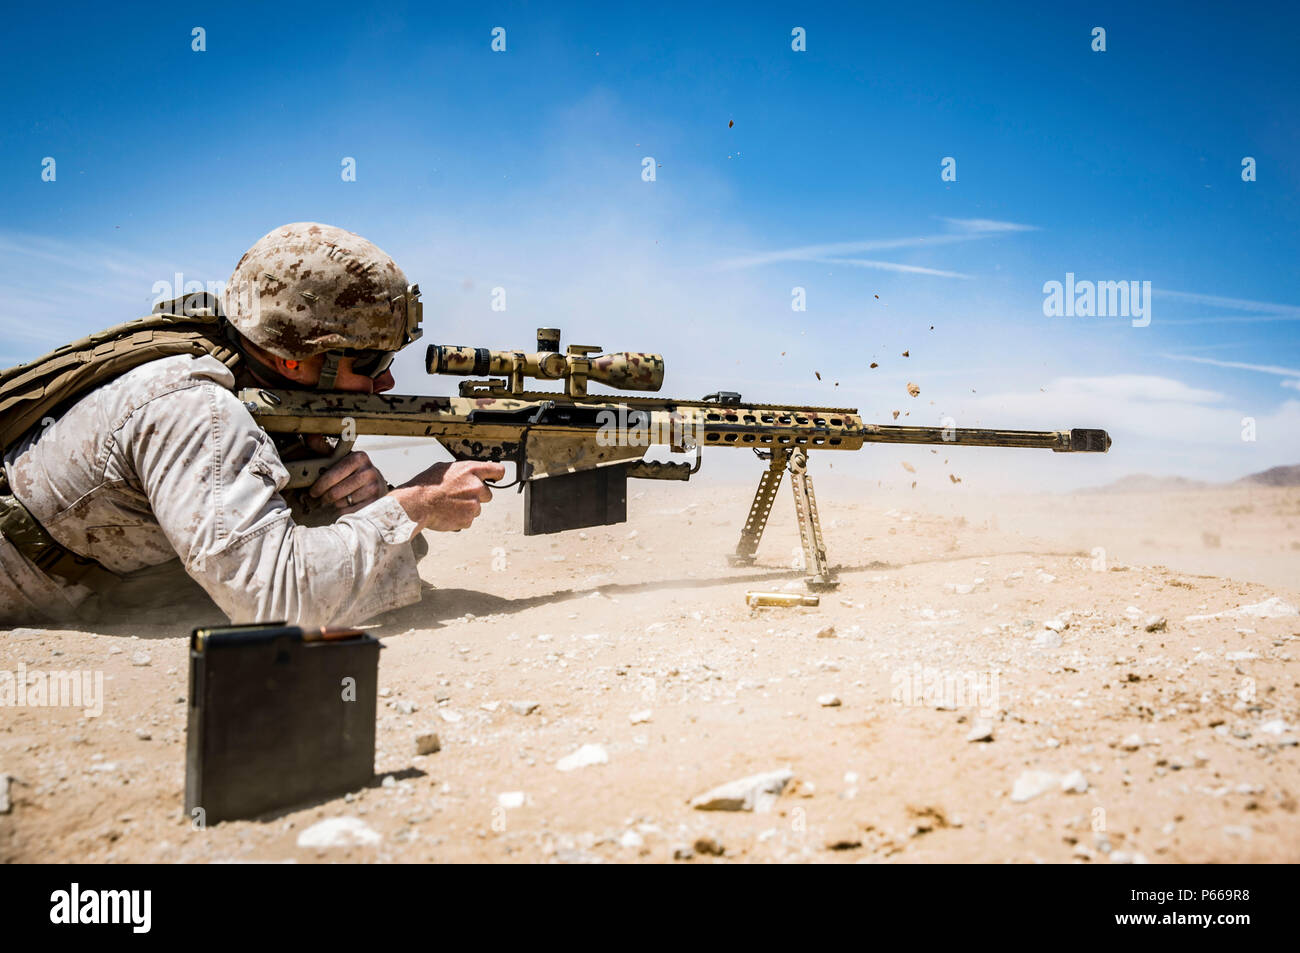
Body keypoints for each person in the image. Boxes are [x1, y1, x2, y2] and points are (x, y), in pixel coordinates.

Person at [0, 222, 503, 625]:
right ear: (293, 359)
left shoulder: (259, 390)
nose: (388, 381)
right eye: (370, 362)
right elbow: (277, 601)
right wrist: (411, 506)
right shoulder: (196, 410)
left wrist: (362, 507)